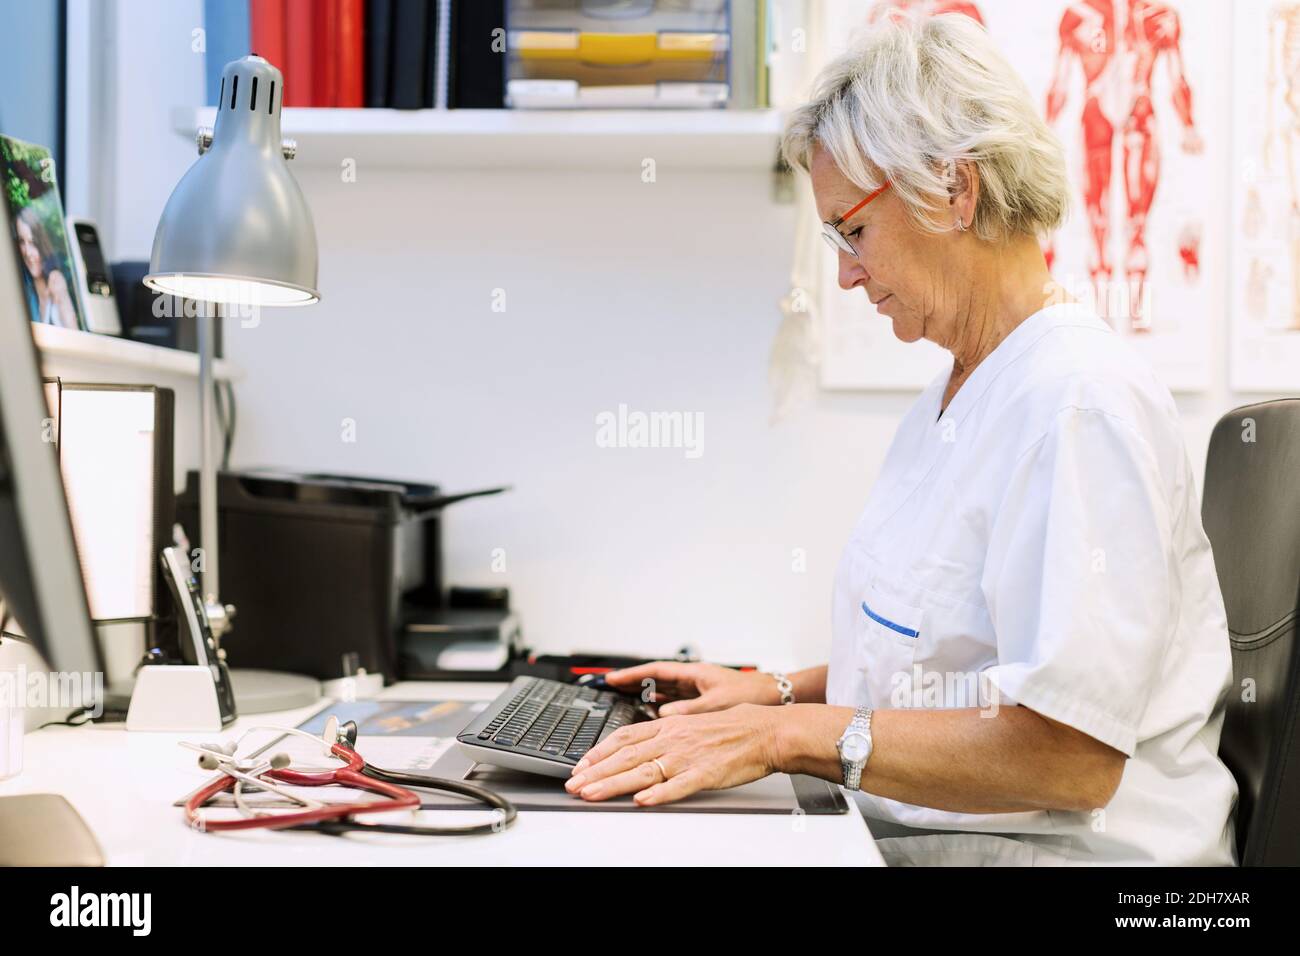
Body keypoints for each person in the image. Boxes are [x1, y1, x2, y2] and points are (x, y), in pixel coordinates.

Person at [564, 13, 1237, 866]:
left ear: (954, 189)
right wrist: (768, 695)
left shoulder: (1078, 404)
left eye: (854, 229)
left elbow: (1070, 757)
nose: (845, 270)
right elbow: (946, 666)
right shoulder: (965, 390)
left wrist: (787, 739)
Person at [15, 205, 79, 329]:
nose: (27, 252)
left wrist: (63, 298)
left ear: (42, 243)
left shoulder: (58, 280)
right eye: (22, 242)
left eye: (32, 242)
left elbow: (76, 336)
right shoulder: (22, 285)